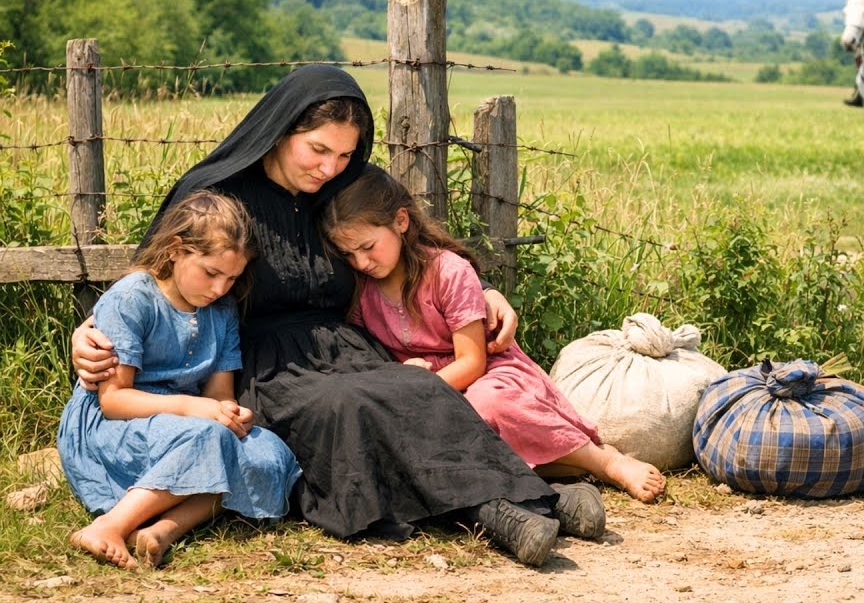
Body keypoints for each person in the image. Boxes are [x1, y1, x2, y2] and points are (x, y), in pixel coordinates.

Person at [71, 65, 595, 567]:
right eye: (318, 149)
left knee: (419, 389)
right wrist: (87, 332)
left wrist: (484, 290)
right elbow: (157, 280)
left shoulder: (346, 187)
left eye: (345, 154)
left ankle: (530, 492)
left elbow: (416, 246)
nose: (329, 167)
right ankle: (496, 510)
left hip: (348, 346)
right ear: (280, 131)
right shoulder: (220, 195)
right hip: (264, 366)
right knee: (348, 405)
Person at [320, 168, 666, 511]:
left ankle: (604, 462)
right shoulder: (361, 289)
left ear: (401, 221)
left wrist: (422, 387)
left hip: (485, 376)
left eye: (368, 247)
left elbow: (472, 362)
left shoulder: (447, 272)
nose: (361, 262)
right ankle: (547, 471)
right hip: (422, 384)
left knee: (487, 409)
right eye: (348, 254)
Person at [57, 190, 301, 570]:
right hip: (116, 424)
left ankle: (162, 530)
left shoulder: (221, 310)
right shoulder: (133, 299)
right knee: (209, 438)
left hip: (181, 425)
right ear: (175, 249)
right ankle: (109, 525)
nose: (221, 288)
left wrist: (227, 411)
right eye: (211, 273)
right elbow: (114, 400)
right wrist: (194, 408)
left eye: (232, 278)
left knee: (269, 453)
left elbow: (218, 391)